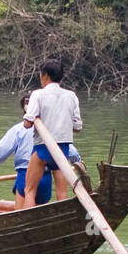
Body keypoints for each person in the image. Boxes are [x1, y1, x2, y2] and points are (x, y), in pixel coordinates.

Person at [0, 93, 83, 208]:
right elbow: (70, 151)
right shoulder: (50, 131)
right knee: (40, 213)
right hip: (45, 177)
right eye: (28, 102)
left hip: (25, 175)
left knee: (21, 214)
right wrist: (79, 162)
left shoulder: (18, 130)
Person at [21, 58, 82, 204]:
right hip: (63, 150)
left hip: (43, 148)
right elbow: (77, 127)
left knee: (29, 191)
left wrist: (27, 111)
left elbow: (27, 124)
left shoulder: (38, 94)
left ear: (45, 75)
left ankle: (30, 224)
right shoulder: (71, 96)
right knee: (62, 193)